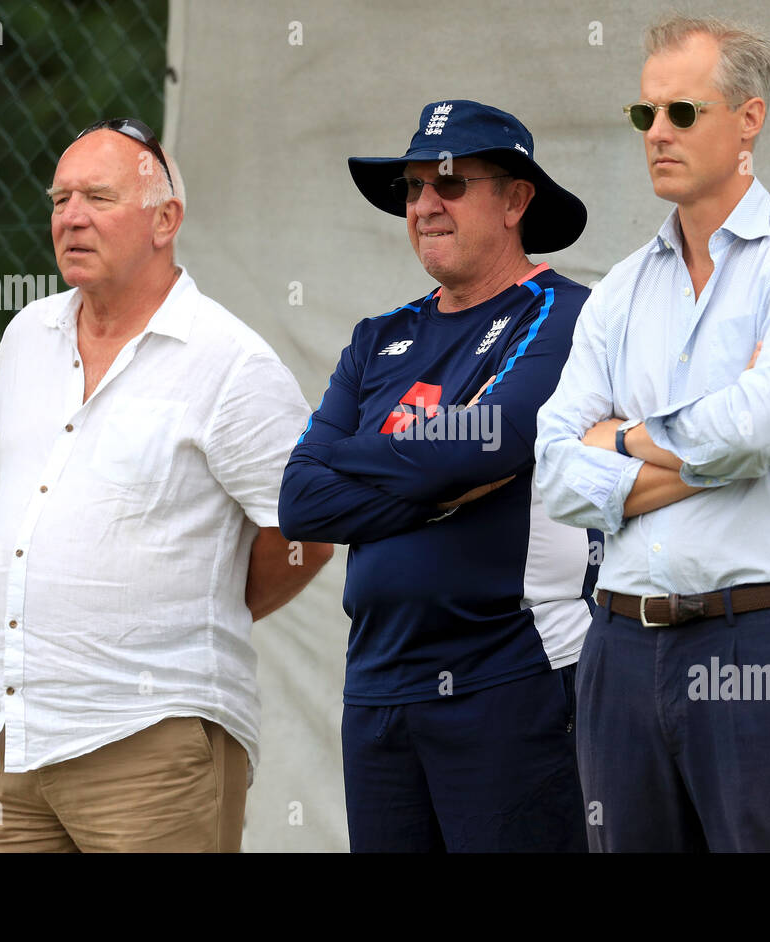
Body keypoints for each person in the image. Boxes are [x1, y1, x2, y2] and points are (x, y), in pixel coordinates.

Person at [535, 15, 770, 852]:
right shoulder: (615, 290)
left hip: (756, 636)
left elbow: (768, 420)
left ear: (748, 119)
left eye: (682, 113)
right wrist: (713, 451)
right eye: (642, 114)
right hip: (616, 650)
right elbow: (551, 472)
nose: (656, 134)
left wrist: (619, 437)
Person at [0, 117, 330, 852]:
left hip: (148, 741)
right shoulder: (25, 338)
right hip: (5, 737)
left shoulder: (229, 362)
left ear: (166, 220)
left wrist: (194, 609)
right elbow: (5, 504)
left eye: (97, 195)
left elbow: (307, 532)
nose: (70, 216)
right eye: (59, 198)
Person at [278, 100, 597, 852]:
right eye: (413, 189)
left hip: (510, 678)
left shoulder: (564, 313)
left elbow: (486, 443)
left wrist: (361, 453)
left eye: (449, 184)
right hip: (378, 685)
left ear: (517, 198)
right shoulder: (378, 335)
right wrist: (433, 481)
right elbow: (298, 500)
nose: (424, 205)